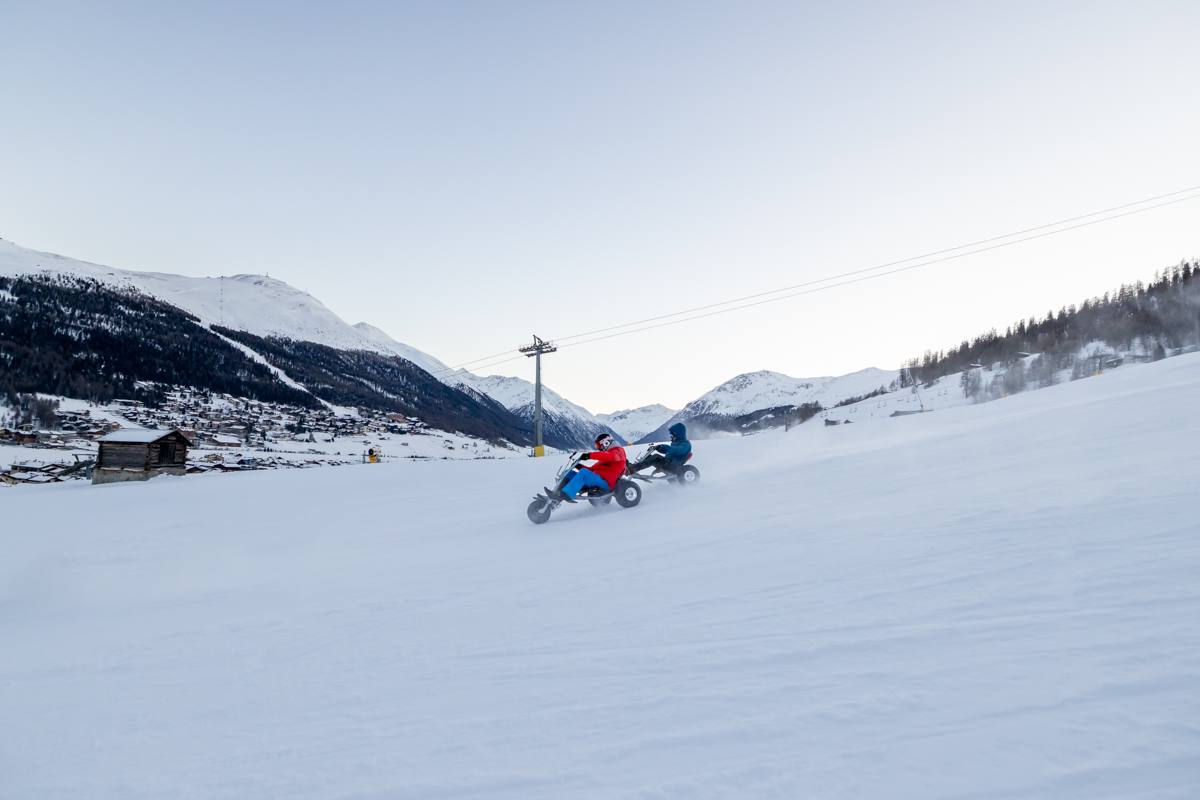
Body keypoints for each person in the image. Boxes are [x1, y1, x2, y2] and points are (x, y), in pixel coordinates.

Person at [551, 432, 626, 503]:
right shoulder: (605, 457)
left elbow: (613, 456)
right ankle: (556, 493)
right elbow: (591, 470)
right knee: (568, 473)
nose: (598, 448)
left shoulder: (618, 451)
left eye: (598, 445)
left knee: (584, 473)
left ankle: (567, 494)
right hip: (597, 479)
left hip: (606, 483)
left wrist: (589, 455)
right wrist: (579, 466)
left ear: (606, 443)